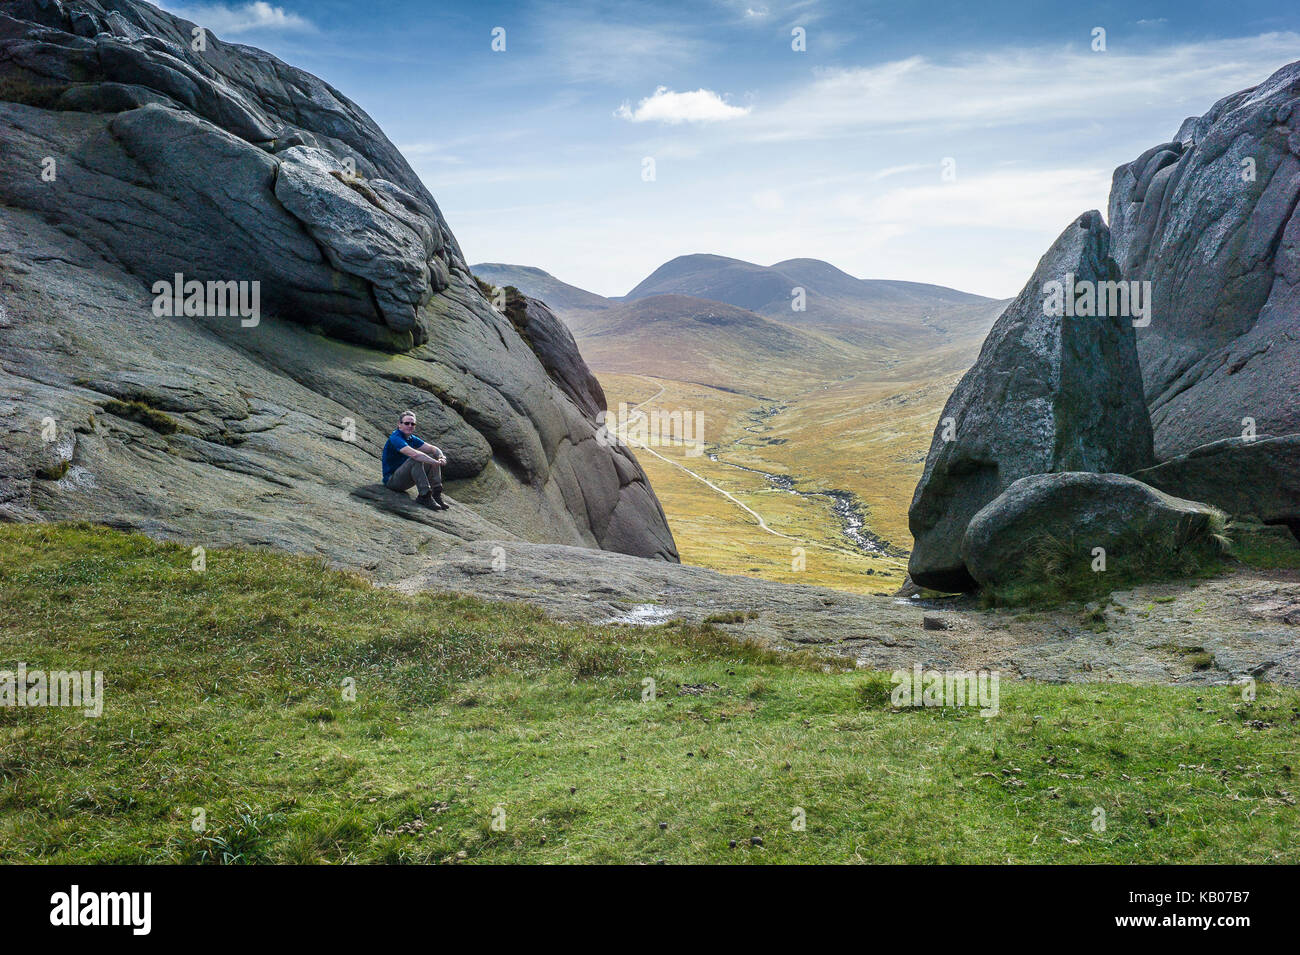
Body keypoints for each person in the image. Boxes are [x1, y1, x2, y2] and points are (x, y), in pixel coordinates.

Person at [381, 410, 449, 509]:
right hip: (392, 481)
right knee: (416, 459)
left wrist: (441, 457)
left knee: (432, 457)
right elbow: (415, 455)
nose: (410, 425)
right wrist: (434, 462)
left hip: (405, 478)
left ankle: (436, 494)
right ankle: (424, 495)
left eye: (412, 424)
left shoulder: (411, 438)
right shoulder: (395, 438)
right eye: (407, 423)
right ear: (399, 424)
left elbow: (433, 448)